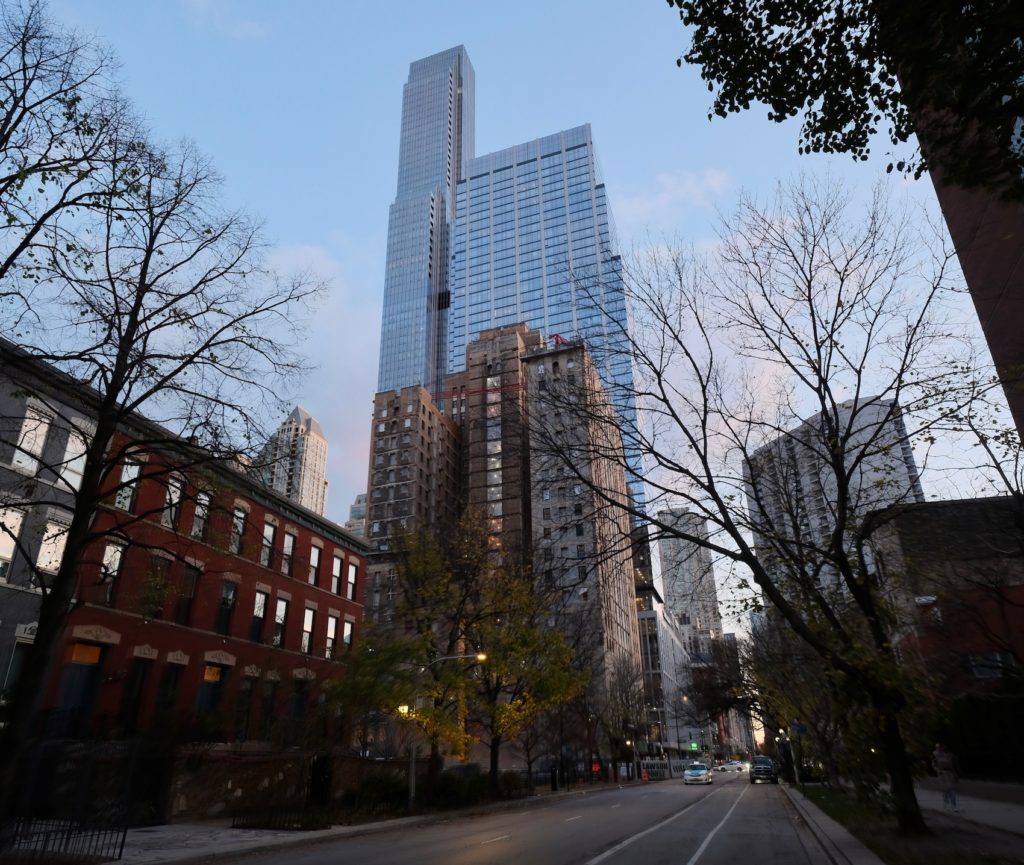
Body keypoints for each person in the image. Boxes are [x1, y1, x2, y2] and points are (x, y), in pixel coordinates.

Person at [932, 743, 961, 812]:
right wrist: (938, 771)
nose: (940, 749)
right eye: (938, 747)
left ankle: (954, 806)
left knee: (952, 790)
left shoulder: (949, 756)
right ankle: (946, 804)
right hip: (942, 774)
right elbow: (934, 765)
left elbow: (952, 766)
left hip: (950, 774)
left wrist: (955, 775)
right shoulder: (935, 755)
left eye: (941, 747)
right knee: (945, 790)